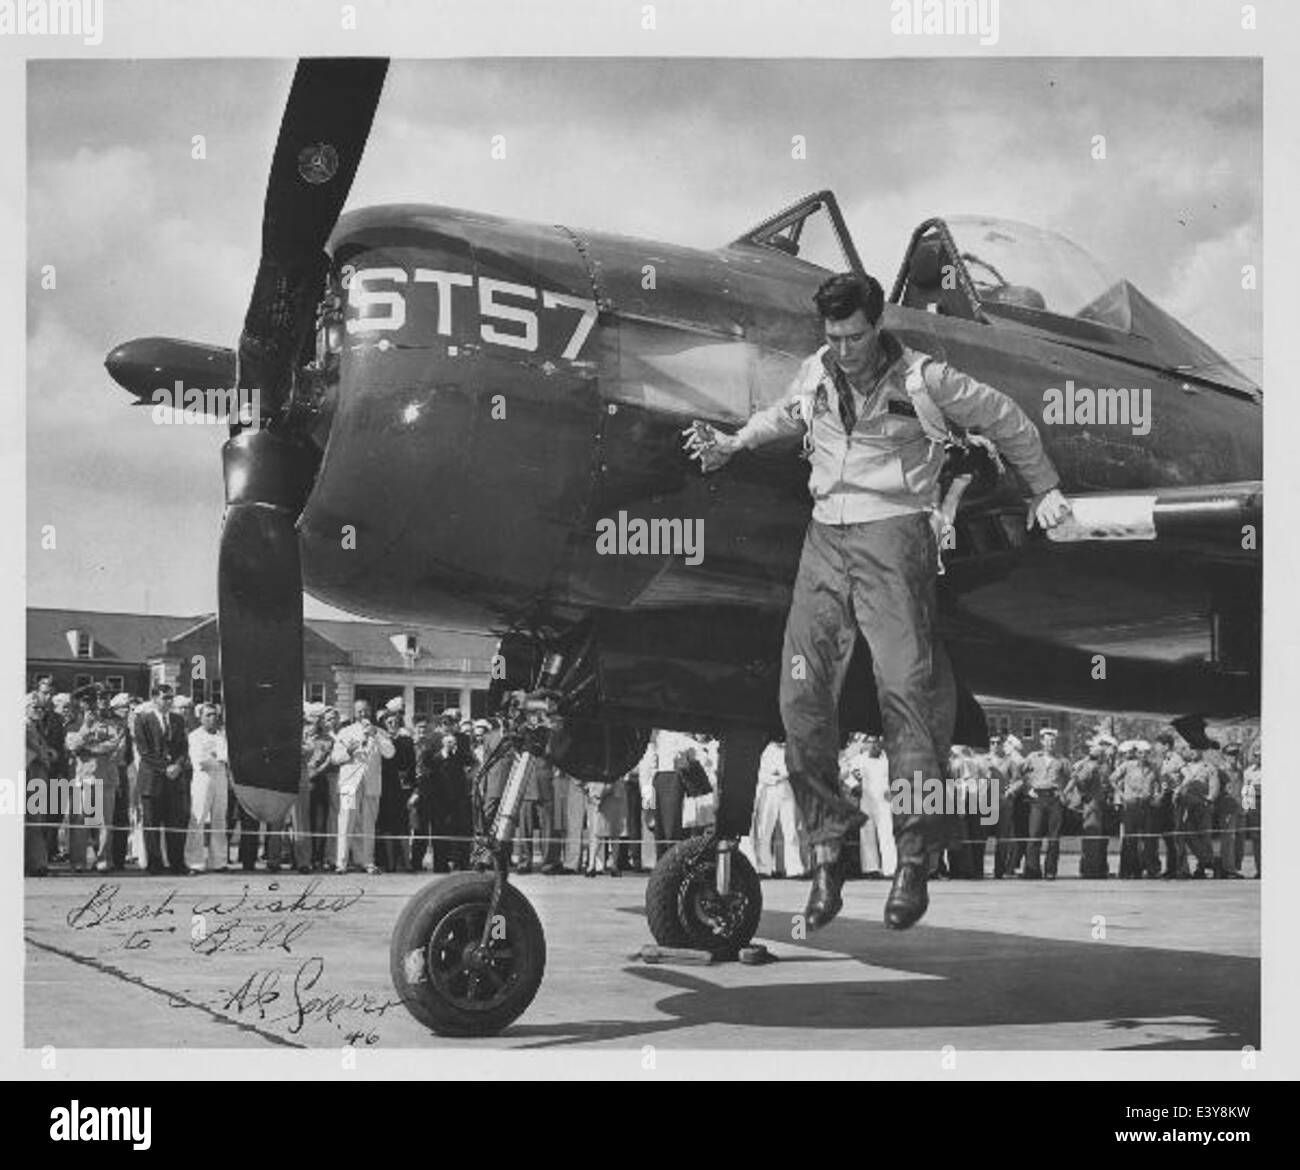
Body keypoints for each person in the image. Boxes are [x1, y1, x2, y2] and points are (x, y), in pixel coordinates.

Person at [684, 271, 1070, 929]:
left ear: (878, 323)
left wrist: (1045, 488)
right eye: (834, 336)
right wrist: (732, 444)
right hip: (825, 539)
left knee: (907, 700)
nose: (846, 349)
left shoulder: (927, 380)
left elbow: (1007, 419)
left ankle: (916, 858)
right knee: (799, 699)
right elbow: (788, 412)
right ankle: (828, 853)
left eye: (856, 336)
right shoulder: (818, 369)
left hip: (896, 538)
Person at [135, 683, 193, 875]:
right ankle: (154, 864)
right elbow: (144, 752)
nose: (169, 701)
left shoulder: (177, 720)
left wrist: (178, 765)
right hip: (152, 780)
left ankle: (177, 863)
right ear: (154, 699)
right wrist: (164, 767)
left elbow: (184, 748)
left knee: (175, 823)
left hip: (174, 780)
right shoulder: (143, 720)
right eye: (165, 697)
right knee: (151, 824)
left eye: (171, 698)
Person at [330, 700, 394, 874]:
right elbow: (335, 758)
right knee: (346, 821)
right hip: (350, 783)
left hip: (371, 783)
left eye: (366, 711)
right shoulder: (346, 732)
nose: (363, 714)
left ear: (371, 712)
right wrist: (348, 753)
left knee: (369, 823)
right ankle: (341, 862)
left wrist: (376, 735)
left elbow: (390, 753)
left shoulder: (379, 732)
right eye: (359, 711)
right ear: (354, 713)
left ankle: (367, 861)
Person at [750, 740, 809, 879]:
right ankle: (763, 868)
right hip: (768, 790)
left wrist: (781, 773)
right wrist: (774, 776)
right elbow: (759, 771)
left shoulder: (790, 749)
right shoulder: (766, 750)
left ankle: (795, 869)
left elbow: (794, 769)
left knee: (791, 830)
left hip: (786, 789)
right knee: (764, 831)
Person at [184, 703, 229, 873]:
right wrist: (217, 759)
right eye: (208, 715)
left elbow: (225, 757)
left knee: (220, 818)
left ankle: (218, 861)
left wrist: (216, 759)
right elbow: (200, 761)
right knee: (198, 817)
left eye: (214, 715)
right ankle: (194, 861)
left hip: (220, 779)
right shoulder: (195, 736)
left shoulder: (221, 736)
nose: (212, 718)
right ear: (200, 717)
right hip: (202, 780)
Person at [1021, 727, 1070, 880]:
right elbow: (1020, 775)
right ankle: (1032, 870)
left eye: (1053, 740)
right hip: (1037, 798)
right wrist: (1028, 790)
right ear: (1042, 741)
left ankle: (1050, 870)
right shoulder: (1032, 757)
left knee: (1054, 837)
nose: (1050, 743)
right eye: (1047, 740)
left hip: (1054, 797)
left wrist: (1063, 793)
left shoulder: (1062, 760)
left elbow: (1071, 778)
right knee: (1034, 835)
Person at [375, 708, 414, 872]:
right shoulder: (380, 740)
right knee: (387, 826)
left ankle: (407, 862)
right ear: (383, 724)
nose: (393, 724)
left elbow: (411, 765)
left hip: (401, 788)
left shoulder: (406, 741)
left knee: (403, 826)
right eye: (389, 722)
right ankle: (390, 863)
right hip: (384, 787)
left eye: (396, 722)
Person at [1173, 748, 1218, 879]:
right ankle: (1206, 862)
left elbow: (1214, 786)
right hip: (1186, 807)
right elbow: (1179, 784)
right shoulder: (1184, 767)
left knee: (1205, 837)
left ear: (1201, 751)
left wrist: (1209, 800)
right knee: (1188, 836)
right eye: (1190, 749)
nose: (1192, 752)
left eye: (1195, 749)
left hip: (1203, 806)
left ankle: (1203, 869)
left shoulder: (1209, 767)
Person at [986, 733, 1023, 878]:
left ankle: (999, 870)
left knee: (1003, 837)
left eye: (998, 743)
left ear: (1002, 745)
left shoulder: (1009, 762)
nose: (995, 745)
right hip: (985, 802)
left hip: (1003, 802)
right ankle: (977, 869)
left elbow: (1019, 781)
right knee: (980, 837)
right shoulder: (985, 761)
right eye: (992, 742)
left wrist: (1011, 791)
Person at [1241, 746, 1260, 878]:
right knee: (1256, 837)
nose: (1259, 758)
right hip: (1255, 804)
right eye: (1257, 755)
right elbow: (1247, 790)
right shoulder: (1248, 771)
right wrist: (1246, 809)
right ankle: (1260, 869)